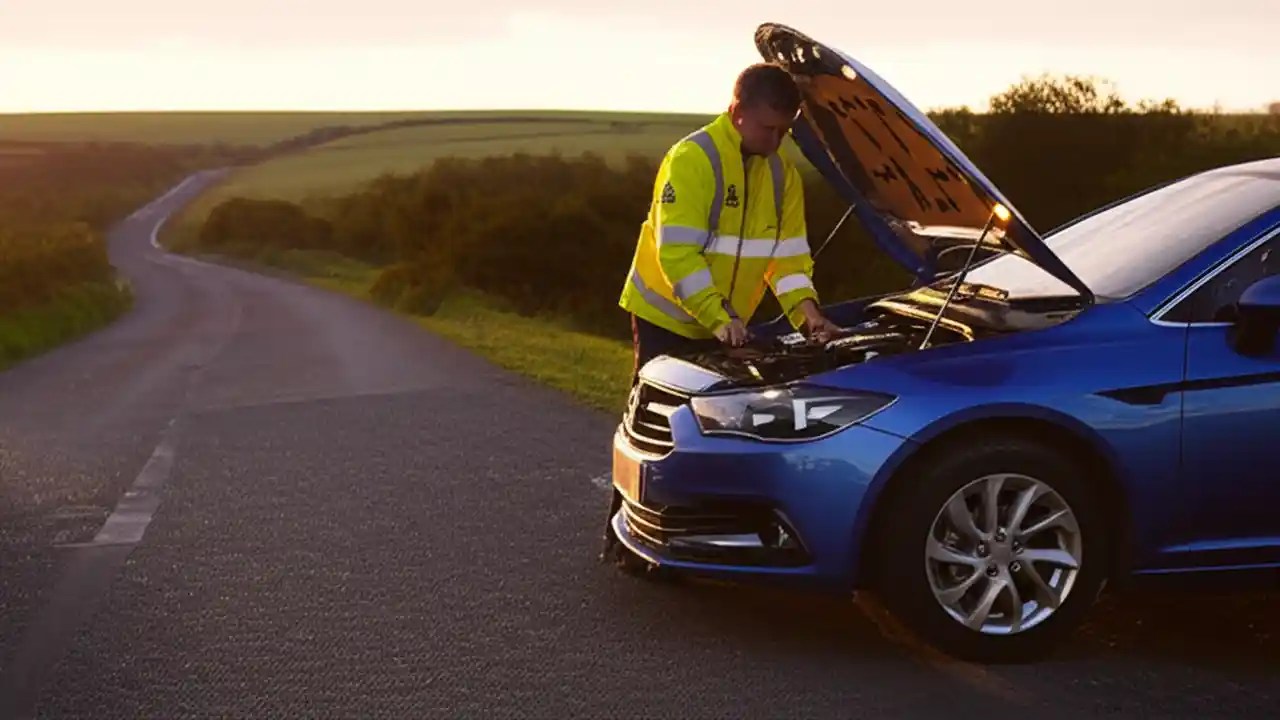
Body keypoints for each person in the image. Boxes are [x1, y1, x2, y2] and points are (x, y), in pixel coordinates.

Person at [617, 62, 840, 386]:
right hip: (666, 321)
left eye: (784, 130)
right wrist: (721, 319)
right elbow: (678, 254)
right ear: (737, 112)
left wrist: (811, 320)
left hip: (725, 327)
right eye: (768, 128)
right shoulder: (692, 159)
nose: (776, 140)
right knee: (658, 418)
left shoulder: (783, 176)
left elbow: (788, 264)